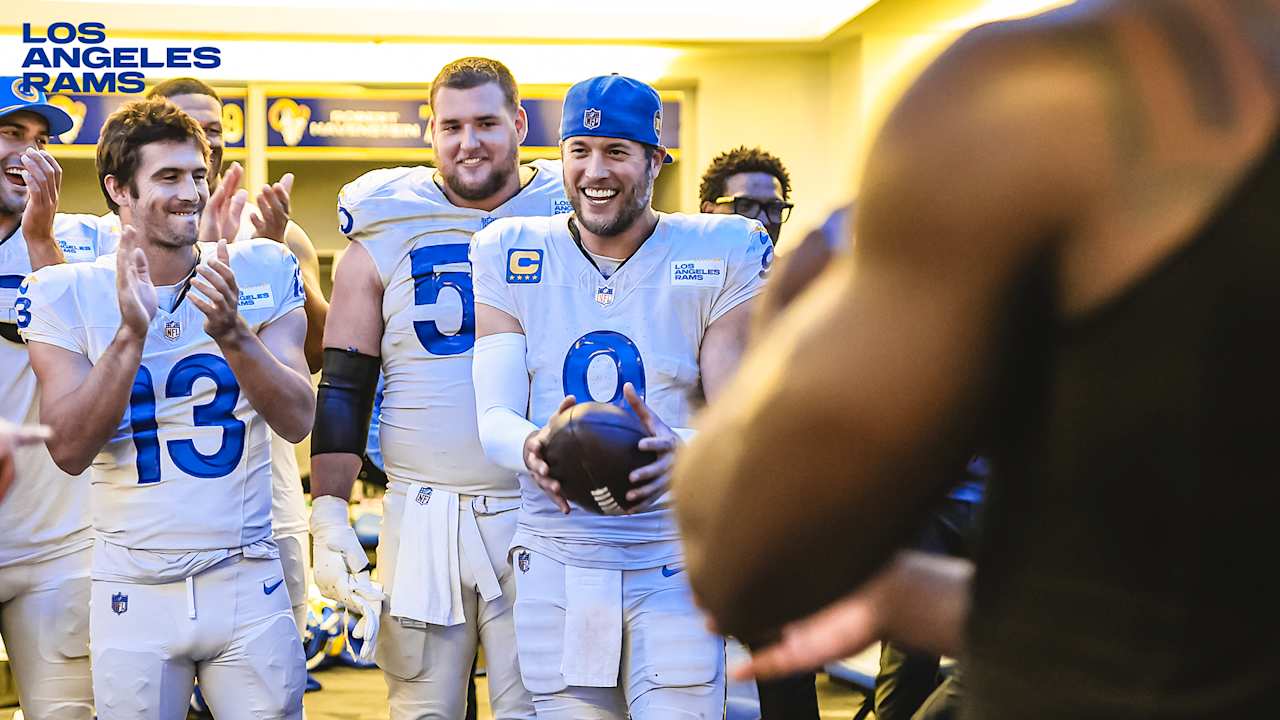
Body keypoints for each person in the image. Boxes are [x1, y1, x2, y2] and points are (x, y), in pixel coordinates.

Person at [676, 1, 1280, 717]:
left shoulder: (1047, 89)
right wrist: (900, 594)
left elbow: (743, 557)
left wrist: (781, 317)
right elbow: (1207, 605)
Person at [471, 73, 769, 720]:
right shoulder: (508, 249)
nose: (594, 170)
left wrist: (683, 449)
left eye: (616, 151)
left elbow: (739, 417)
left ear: (655, 161)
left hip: (671, 558)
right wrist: (535, 447)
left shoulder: (720, 250)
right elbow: (492, 417)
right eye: (579, 150)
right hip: (558, 556)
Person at [20, 98, 312, 719]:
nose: (191, 193)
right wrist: (129, 335)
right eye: (169, 177)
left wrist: (234, 334)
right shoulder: (66, 289)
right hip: (133, 585)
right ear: (118, 190)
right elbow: (69, 449)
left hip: (247, 573)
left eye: (197, 175)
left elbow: (298, 417)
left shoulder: (259, 265)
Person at [309, 56, 565, 719]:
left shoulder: (570, 210)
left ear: (519, 123)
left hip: (544, 508)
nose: (468, 142)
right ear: (431, 130)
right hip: (422, 511)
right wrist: (330, 512)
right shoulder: (385, 216)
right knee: (422, 708)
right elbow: (344, 383)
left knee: (540, 705)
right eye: (452, 126)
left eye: (485, 122)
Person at [145, 78, 328, 645]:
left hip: (264, 503)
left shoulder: (274, 229)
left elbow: (321, 352)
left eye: (215, 132)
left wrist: (274, 258)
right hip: (157, 514)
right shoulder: (122, 240)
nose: (204, 142)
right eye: (186, 127)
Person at [0, 76, 120, 719]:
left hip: (60, 546)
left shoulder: (88, 240)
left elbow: (109, 351)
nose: (30, 152)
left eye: (42, 139)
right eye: (11, 133)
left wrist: (42, 243)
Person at [698, 146, 818, 720]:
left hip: (773, 507)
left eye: (774, 208)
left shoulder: (804, 291)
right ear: (707, 208)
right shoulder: (680, 282)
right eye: (744, 204)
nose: (762, 219)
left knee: (786, 673)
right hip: (686, 500)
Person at [699, 145, 793, 245]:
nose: (763, 221)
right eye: (746, 206)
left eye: (774, 208)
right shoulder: (682, 257)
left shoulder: (795, 260)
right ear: (708, 212)